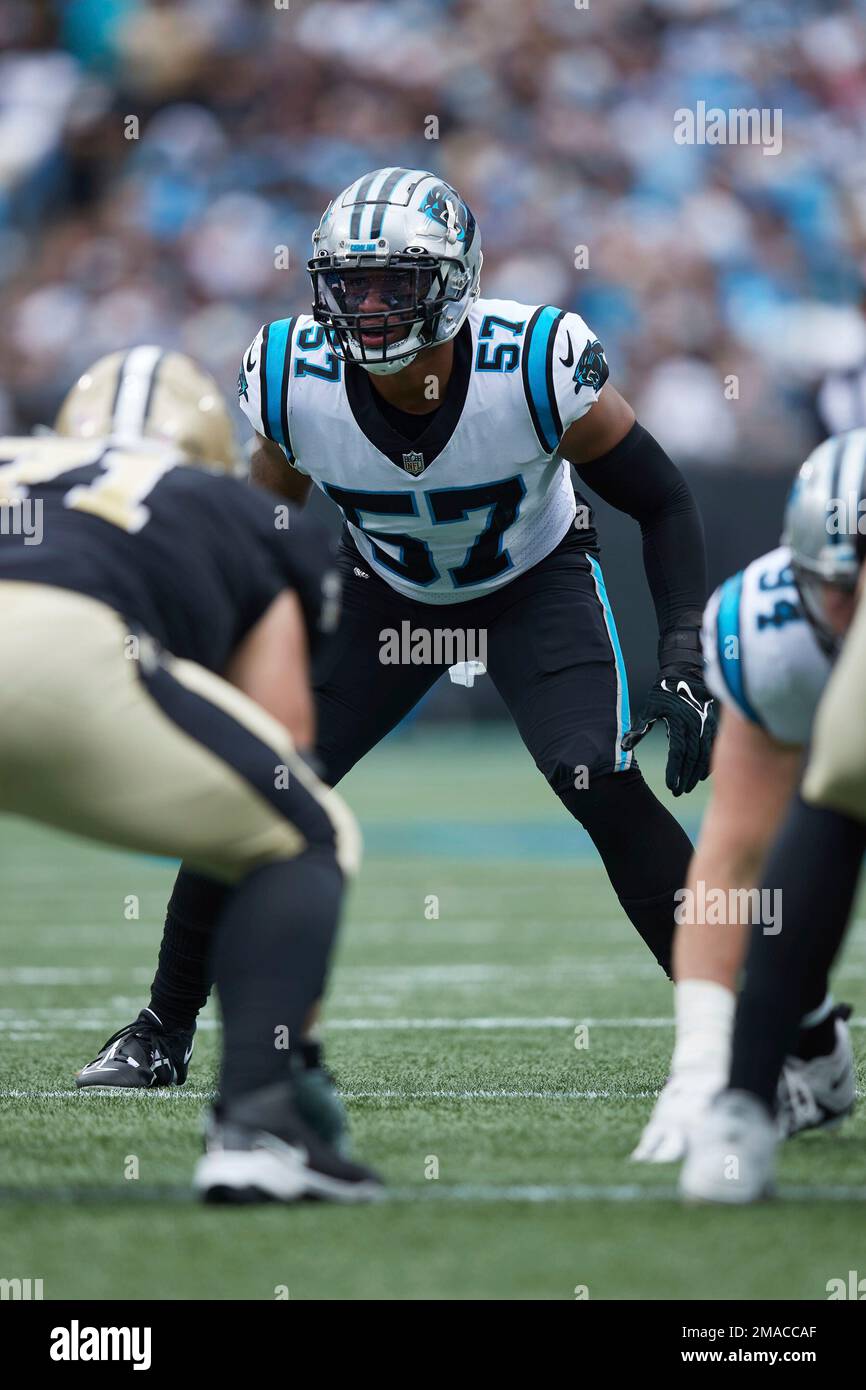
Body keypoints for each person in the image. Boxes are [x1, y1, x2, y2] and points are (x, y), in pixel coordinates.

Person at [77, 167, 717, 1092]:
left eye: (396, 283)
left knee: (599, 779)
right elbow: (265, 531)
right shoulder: (294, 376)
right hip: (383, 596)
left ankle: (737, 1023)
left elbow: (662, 499)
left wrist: (685, 654)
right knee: (253, 782)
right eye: (351, 283)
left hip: (531, 584)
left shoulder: (533, 363)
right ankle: (160, 1030)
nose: (369, 307)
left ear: (457, 281)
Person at [0, 346, 378, 1203]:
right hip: (59, 647)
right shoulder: (226, 502)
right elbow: (284, 741)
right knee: (302, 833)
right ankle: (258, 1125)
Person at [633, 432, 863, 1164]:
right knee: (806, 840)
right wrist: (700, 1064)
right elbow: (732, 861)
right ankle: (785, 1060)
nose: (854, 612)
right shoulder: (766, 630)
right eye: (840, 587)